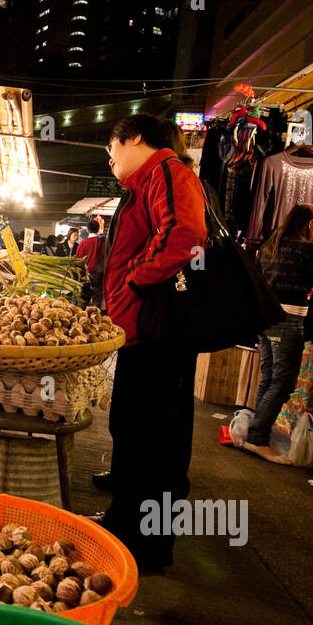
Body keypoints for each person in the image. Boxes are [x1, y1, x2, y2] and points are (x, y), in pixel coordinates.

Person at [91, 114, 209, 569]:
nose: (110, 157)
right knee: (142, 430)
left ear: (135, 138)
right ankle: (131, 523)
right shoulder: (149, 179)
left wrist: (134, 284)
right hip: (145, 331)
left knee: (152, 435)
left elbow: (185, 235)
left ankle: (143, 542)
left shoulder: (166, 171)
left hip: (158, 333)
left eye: (112, 147)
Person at [244, 203, 313, 463]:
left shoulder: (271, 244)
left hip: (266, 317)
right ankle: (257, 438)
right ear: (310, 223)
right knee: (282, 383)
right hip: (289, 319)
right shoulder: (306, 248)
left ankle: (255, 433)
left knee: (269, 377)